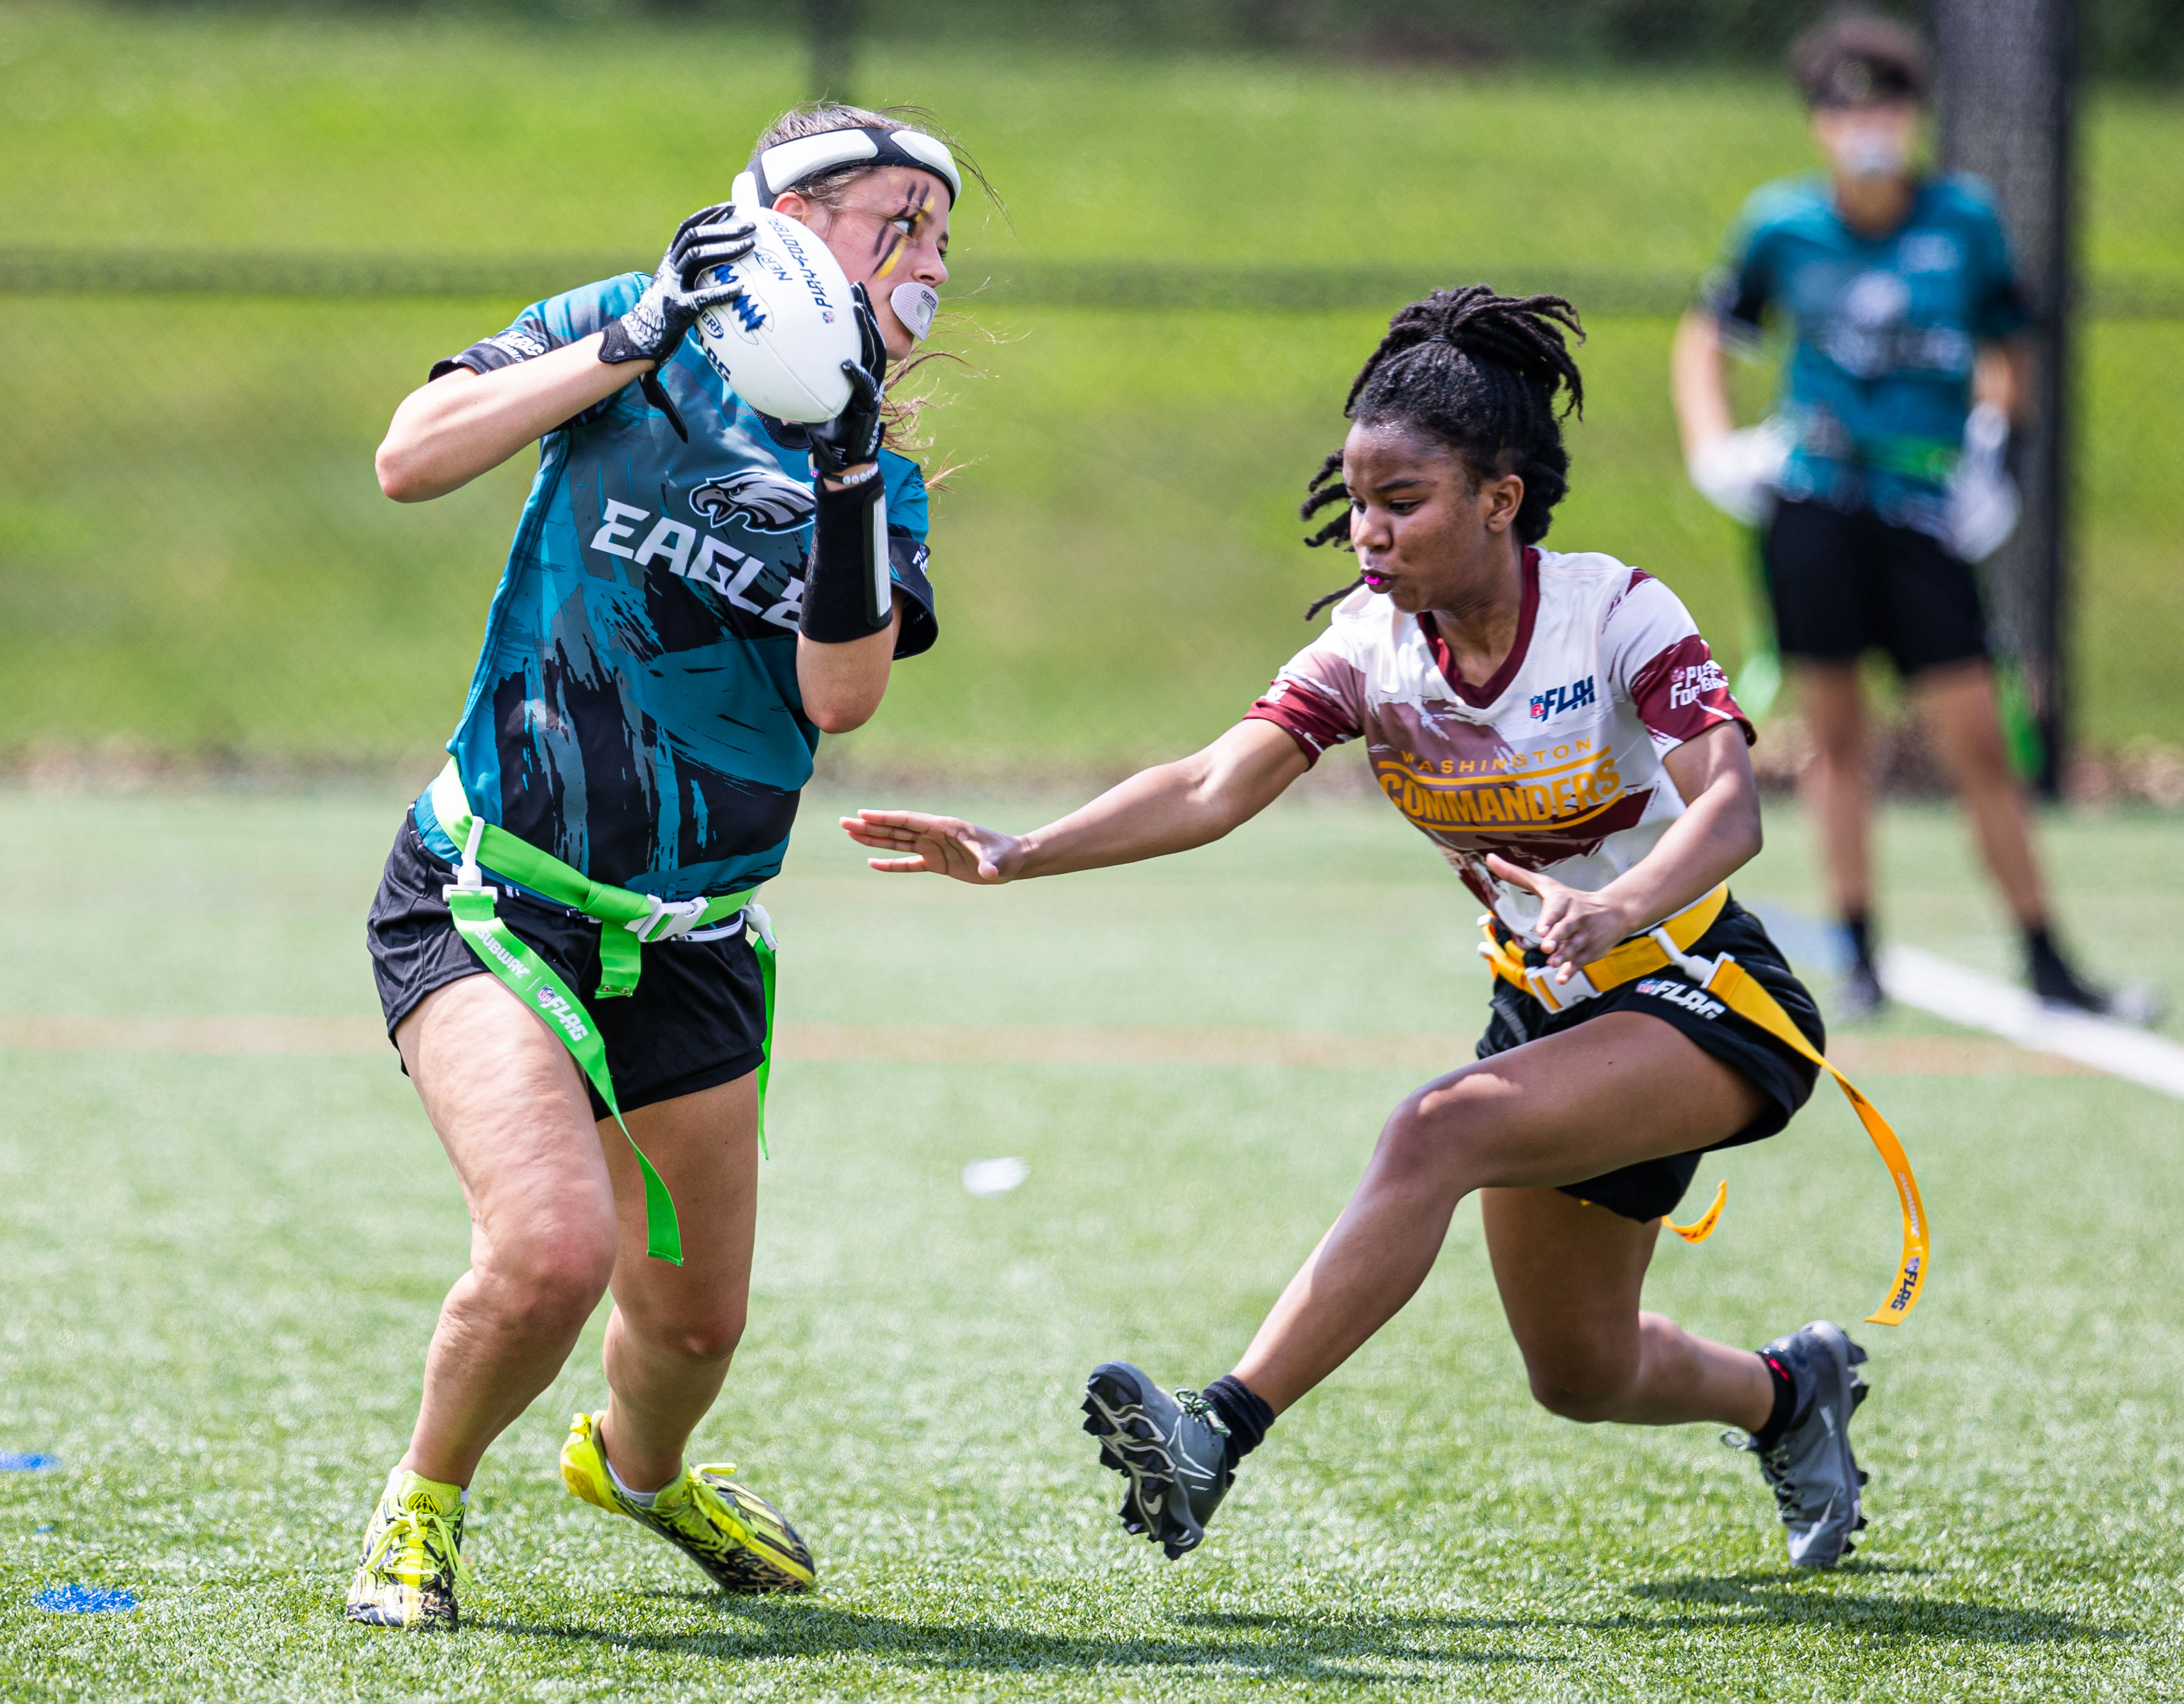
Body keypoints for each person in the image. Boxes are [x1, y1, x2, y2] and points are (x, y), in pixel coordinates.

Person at [843, 286, 1892, 1571]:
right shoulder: (1368, 650)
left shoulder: (1615, 614)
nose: (1366, 534)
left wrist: (1613, 903)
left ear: (1497, 500)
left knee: (1433, 1128)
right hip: (1549, 1010)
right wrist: (1019, 852)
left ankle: (1211, 1432)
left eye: (1403, 502)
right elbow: (1208, 782)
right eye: (1356, 503)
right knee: (1580, 1369)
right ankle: (1791, 1394)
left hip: (1703, 993)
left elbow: (1728, 810)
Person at [346, 103, 969, 1630]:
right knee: (553, 1251)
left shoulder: (879, 485)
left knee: (691, 1327)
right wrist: (631, 330)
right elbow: (408, 459)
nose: (930, 262)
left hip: (689, 946)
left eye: (945, 236)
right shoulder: (616, 340)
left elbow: (842, 696)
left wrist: (838, 465)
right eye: (901, 220)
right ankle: (420, 1503)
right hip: (492, 898)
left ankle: (634, 1472)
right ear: (786, 226)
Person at [1671, 11, 2119, 1019]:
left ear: (1914, 114)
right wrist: (1714, 447)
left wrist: (1998, 450)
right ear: (1818, 122)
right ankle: (1862, 952)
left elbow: (2011, 346)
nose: (1867, 124)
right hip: (1816, 504)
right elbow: (1708, 337)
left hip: (1923, 507)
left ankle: (2046, 953)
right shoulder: (1782, 223)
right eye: (1846, 106)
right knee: (1837, 735)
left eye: (1885, 103)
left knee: (1979, 736)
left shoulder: (1963, 219)